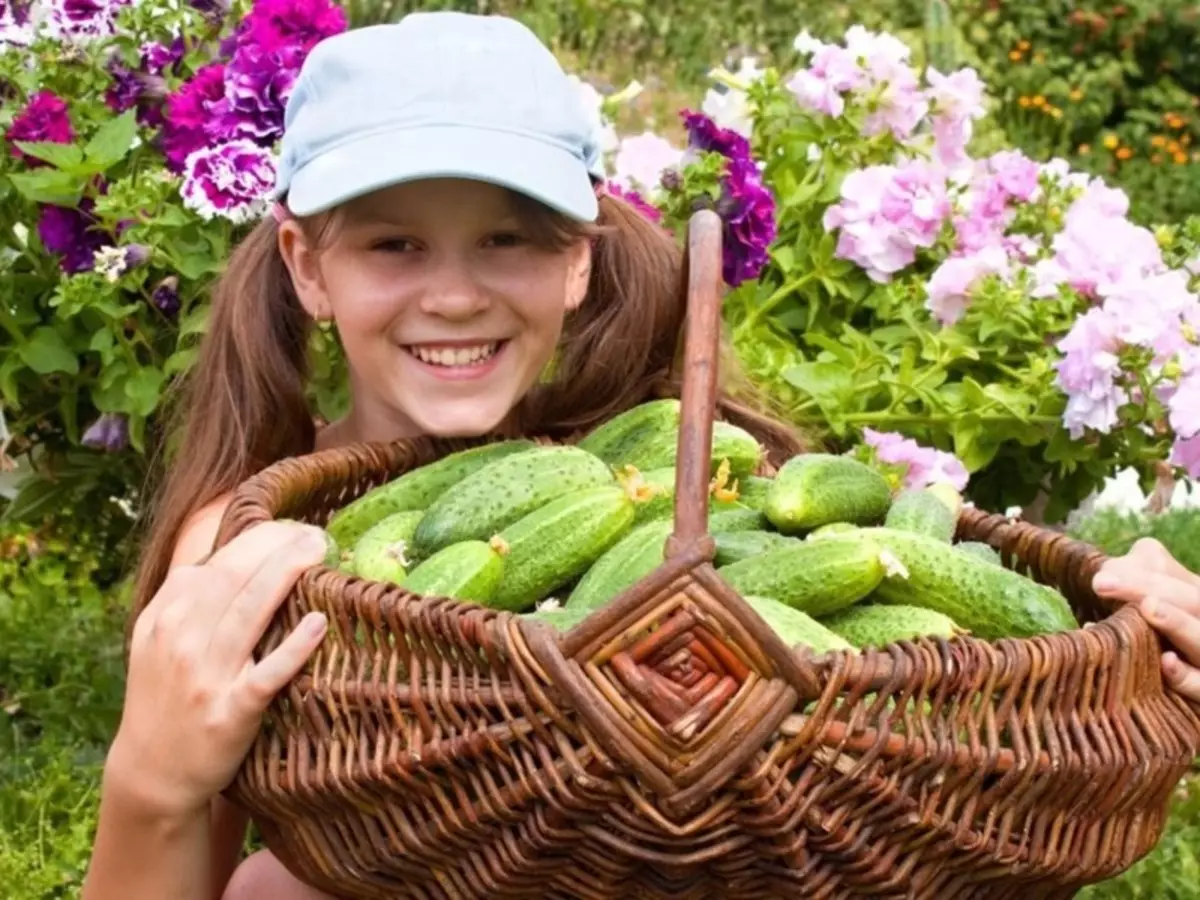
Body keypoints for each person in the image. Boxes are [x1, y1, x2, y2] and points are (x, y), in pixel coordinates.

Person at [81, 11, 1200, 900]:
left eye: (509, 238)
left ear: (578, 261)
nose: (457, 291)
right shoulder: (247, 550)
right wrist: (152, 784)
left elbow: (915, 764)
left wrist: (1131, 670)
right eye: (393, 243)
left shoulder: (700, 485)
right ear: (307, 267)